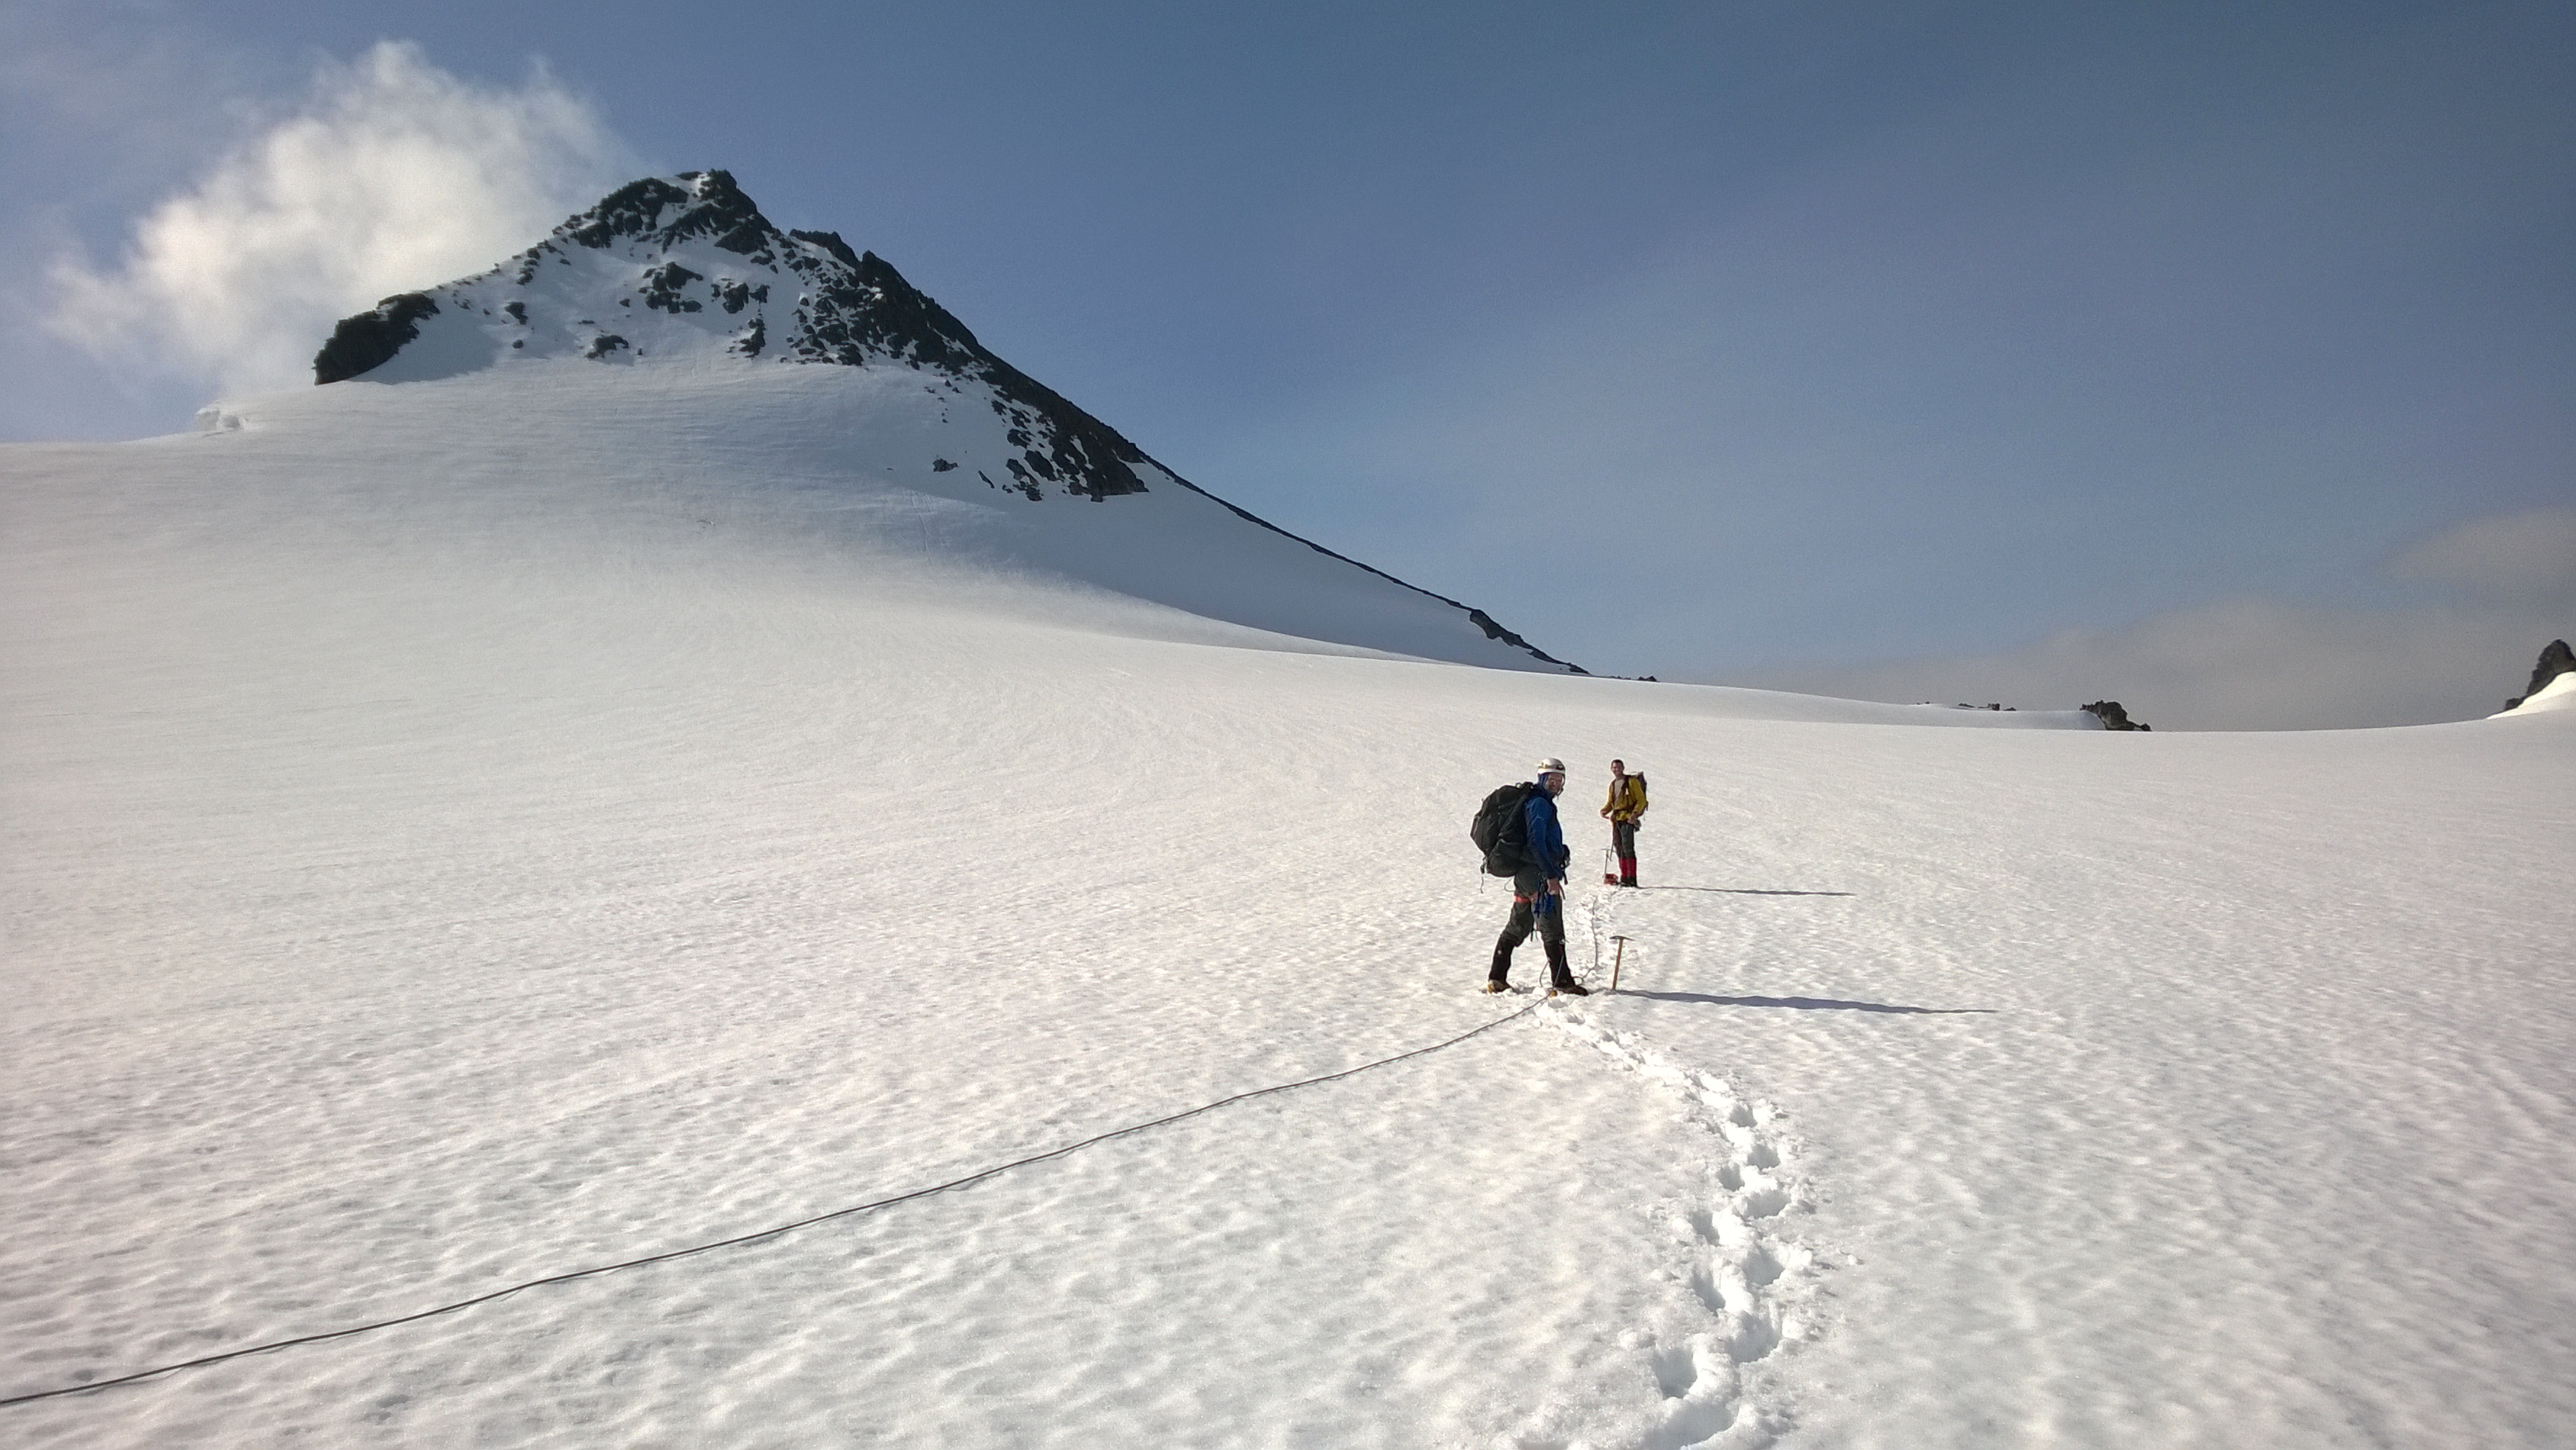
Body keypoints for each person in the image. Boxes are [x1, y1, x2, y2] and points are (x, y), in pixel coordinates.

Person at [1487, 758, 1588, 996]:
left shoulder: (1538, 802)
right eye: (1551, 779)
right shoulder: (1539, 804)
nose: (1555, 784)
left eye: (1559, 780)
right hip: (1538, 875)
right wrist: (1551, 875)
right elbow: (1536, 841)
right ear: (1542, 778)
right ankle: (1562, 982)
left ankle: (1497, 977)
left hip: (1526, 875)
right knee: (1551, 924)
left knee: (1519, 926)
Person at [1600, 758, 1648, 887]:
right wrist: (1605, 810)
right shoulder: (1613, 784)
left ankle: (1631, 878)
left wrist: (1635, 814)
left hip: (1627, 819)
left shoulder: (1631, 782)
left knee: (1627, 848)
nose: (1616, 770)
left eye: (1618, 767)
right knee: (1619, 847)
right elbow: (1611, 803)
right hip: (1617, 820)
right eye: (1614, 768)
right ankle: (1625, 876)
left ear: (1623, 768)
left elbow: (1641, 800)